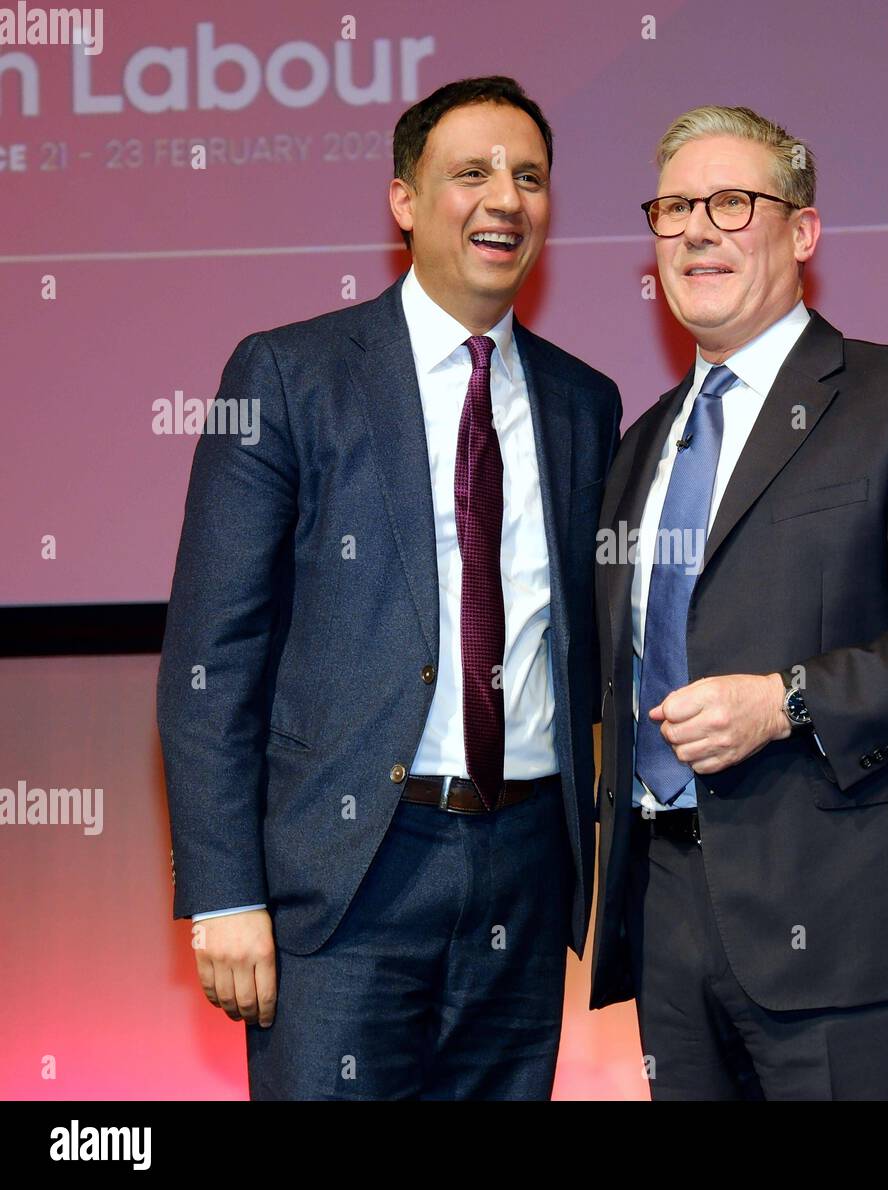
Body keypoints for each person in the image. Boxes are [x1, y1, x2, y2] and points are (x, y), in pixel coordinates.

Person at [158, 76, 621, 1099]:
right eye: (472, 172)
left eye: (531, 177)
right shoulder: (289, 375)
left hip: (527, 866)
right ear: (404, 200)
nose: (506, 197)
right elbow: (209, 658)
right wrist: (225, 890)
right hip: (350, 874)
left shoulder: (586, 402)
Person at [589, 105, 888, 1100]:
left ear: (802, 231)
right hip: (664, 913)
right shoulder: (638, 446)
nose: (697, 229)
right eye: (672, 209)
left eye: (732, 202)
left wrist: (783, 699)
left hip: (850, 920)